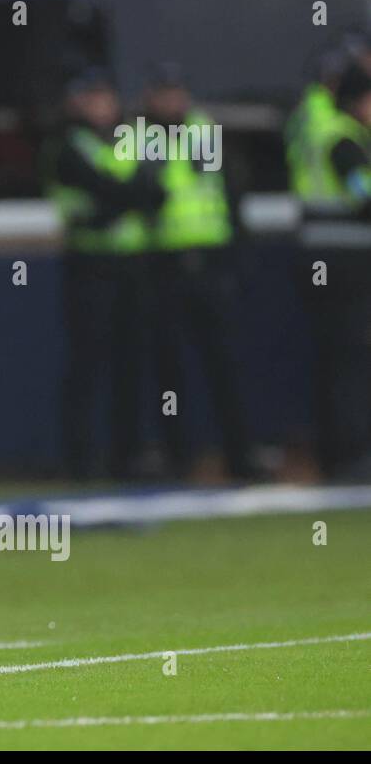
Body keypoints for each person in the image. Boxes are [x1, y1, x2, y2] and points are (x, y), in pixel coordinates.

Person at [42, 68, 163, 481]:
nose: (100, 105)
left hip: (131, 265)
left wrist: (124, 198)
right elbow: (115, 194)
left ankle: (128, 457)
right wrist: (129, 197)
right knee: (87, 365)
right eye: (90, 98)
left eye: (105, 97)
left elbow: (154, 192)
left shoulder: (130, 140)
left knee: (130, 363)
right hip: (89, 266)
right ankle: (80, 460)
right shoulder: (68, 147)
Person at [141, 63, 257, 481]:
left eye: (177, 92)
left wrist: (237, 257)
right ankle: (179, 459)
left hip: (210, 262)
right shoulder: (140, 136)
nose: (171, 101)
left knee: (225, 366)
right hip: (165, 265)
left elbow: (230, 193)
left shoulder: (204, 131)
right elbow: (139, 193)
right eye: (163, 93)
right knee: (170, 372)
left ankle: (241, 458)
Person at [291, 58, 371, 479]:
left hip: (327, 263)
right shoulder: (344, 140)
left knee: (336, 360)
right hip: (343, 267)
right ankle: (353, 455)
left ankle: (336, 454)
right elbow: (364, 198)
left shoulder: (333, 133)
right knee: (351, 360)